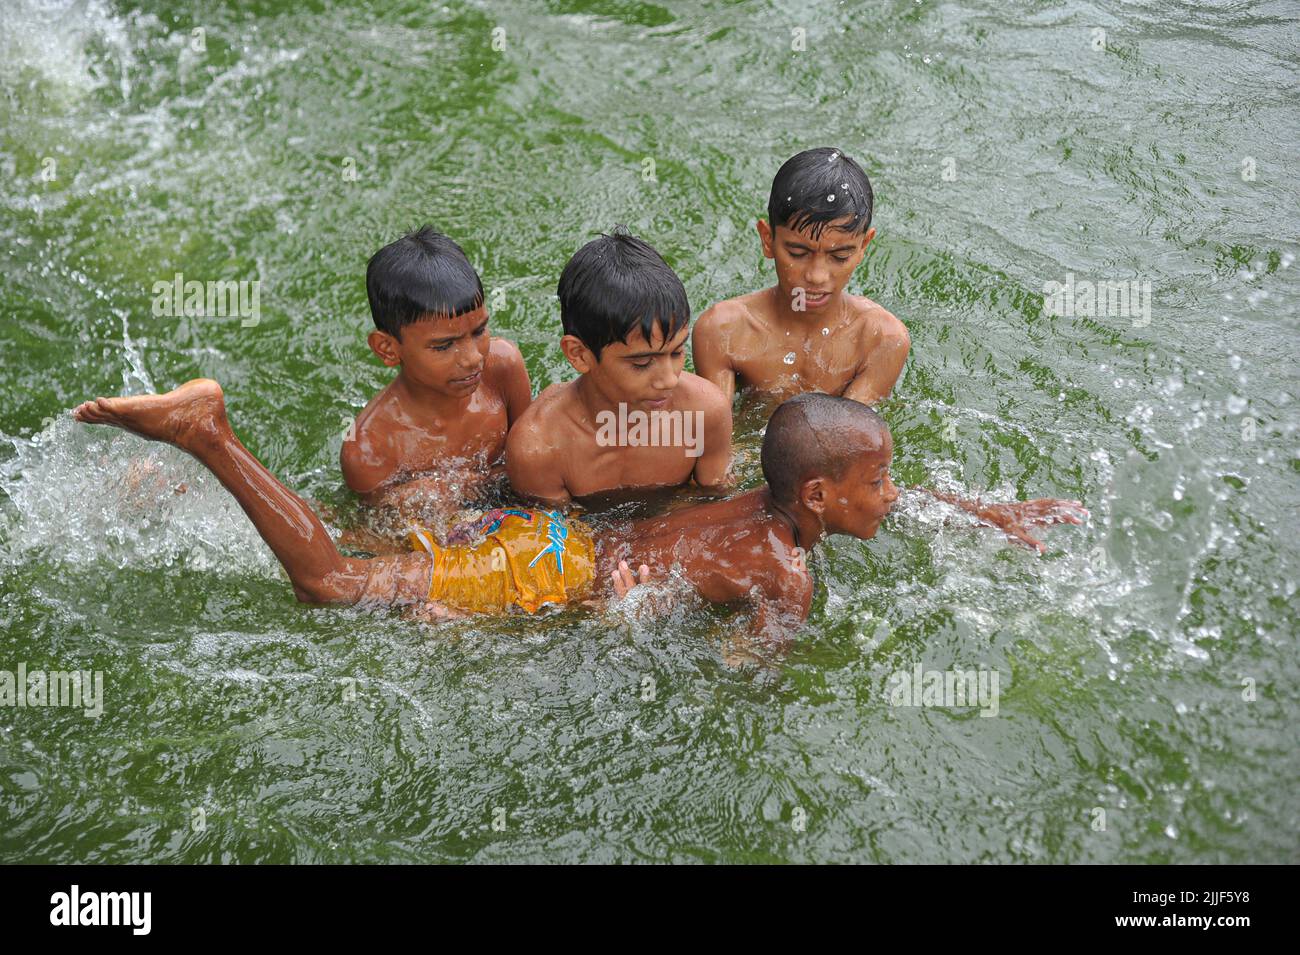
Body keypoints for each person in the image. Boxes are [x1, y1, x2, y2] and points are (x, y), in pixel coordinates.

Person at [71, 383, 1085, 645]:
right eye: (879, 483)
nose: (889, 495)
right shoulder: (788, 570)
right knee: (331, 586)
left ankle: (179, 500)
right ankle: (207, 438)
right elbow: (744, 671)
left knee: (369, 557)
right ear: (821, 500)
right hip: (549, 577)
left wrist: (986, 515)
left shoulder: (766, 493)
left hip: (554, 539)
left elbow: (878, 495)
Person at [505, 229, 732, 509]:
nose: (669, 379)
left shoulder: (705, 414)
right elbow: (562, 544)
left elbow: (716, 510)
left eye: (676, 352)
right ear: (579, 355)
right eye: (642, 363)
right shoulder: (539, 449)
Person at [692, 147, 909, 405]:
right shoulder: (723, 332)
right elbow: (717, 437)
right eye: (797, 252)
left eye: (839, 256)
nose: (817, 276)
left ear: (864, 247)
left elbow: (847, 437)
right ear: (767, 240)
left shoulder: (881, 340)